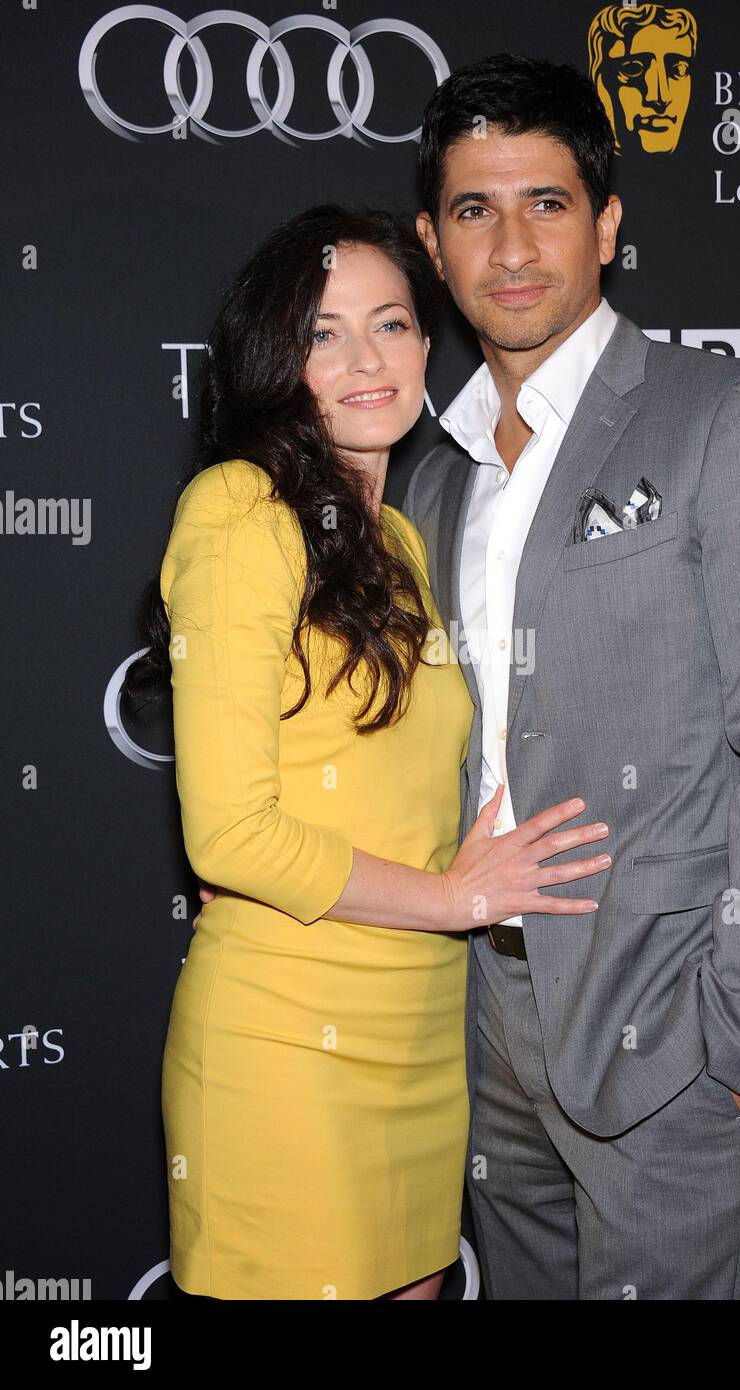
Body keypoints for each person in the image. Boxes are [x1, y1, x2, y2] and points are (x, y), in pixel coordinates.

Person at [399, 54, 740, 1299]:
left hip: (670, 1032)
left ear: (605, 225)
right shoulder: (436, 471)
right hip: (483, 1027)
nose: (509, 246)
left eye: (545, 204)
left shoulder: (730, 414)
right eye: (472, 211)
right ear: (432, 245)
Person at [124, 205, 612, 1301]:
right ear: (274, 361)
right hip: (287, 1043)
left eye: (389, 324)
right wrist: (453, 895)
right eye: (323, 333)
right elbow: (231, 832)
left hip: (422, 1034)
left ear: (425, 345)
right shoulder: (239, 512)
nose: (364, 360)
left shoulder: (396, 540)